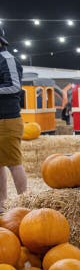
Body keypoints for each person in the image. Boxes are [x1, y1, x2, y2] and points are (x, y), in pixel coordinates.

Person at [0, 29, 28, 212]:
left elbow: (14, 86)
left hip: (7, 119)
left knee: (13, 163)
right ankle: (2, 205)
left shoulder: (7, 59)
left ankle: (25, 204)